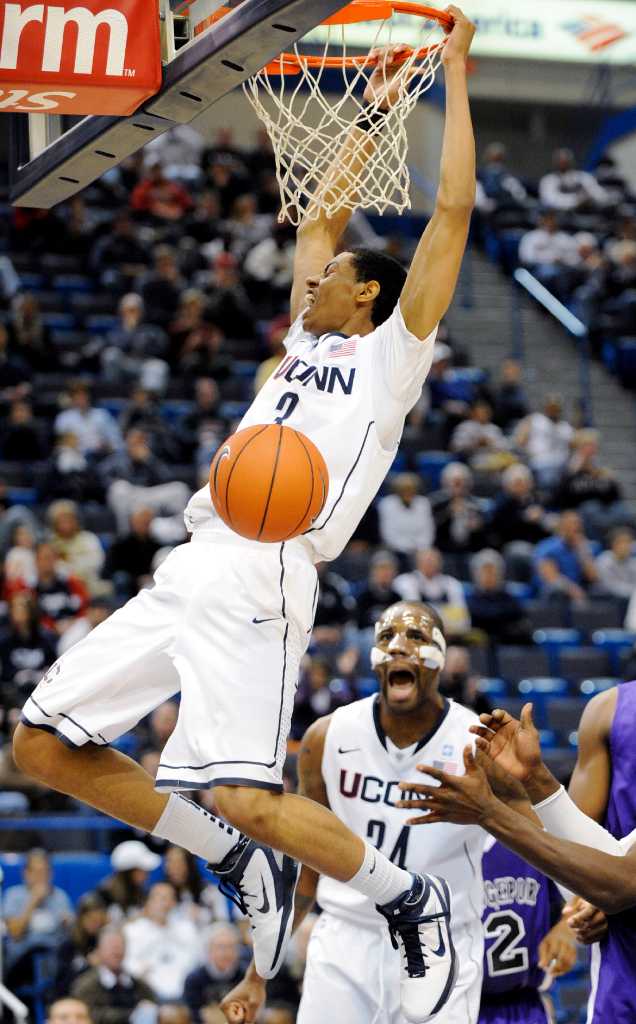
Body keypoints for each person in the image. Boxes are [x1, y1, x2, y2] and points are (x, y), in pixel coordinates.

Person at [15, 16, 477, 1023]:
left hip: (268, 567)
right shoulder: (305, 329)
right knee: (41, 747)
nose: (310, 277)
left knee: (246, 790)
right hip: (195, 559)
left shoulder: (390, 358)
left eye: (333, 274)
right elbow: (321, 205)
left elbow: (449, 211)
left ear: (367, 296)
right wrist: (374, 104)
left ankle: (407, 897)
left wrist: (451, 78)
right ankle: (234, 860)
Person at [220, 601, 494, 1024]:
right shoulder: (327, 736)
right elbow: (307, 866)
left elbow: (527, 840)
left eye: (416, 637)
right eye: (386, 637)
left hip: (443, 939)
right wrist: (257, 973)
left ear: (440, 657)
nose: (399, 647)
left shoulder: (477, 743)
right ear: (374, 658)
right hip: (346, 938)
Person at [396, 689, 636, 1023]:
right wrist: (536, 779)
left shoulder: (525, 829)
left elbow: (620, 883)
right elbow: (603, 871)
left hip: (520, 1004)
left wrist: (568, 926)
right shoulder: (405, 839)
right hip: (438, 1007)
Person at [479, 838, 576, 1024]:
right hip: (460, 1005)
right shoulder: (437, 851)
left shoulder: (533, 838)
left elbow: (579, 896)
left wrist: (564, 929)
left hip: (529, 1004)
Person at [4, 848, 73, 988]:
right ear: (26, 873)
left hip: (55, 956)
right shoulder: (14, 895)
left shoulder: (60, 896)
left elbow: (70, 935)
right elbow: (14, 933)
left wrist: (69, 923)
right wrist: (33, 902)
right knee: (37, 950)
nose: (42, 877)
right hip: (22, 958)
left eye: (45, 872)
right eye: (37, 872)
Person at [123, 883, 202, 1001]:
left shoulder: (187, 929)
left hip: (185, 992)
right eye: (160, 898)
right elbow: (126, 963)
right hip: (147, 994)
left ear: (174, 904)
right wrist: (139, 972)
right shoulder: (133, 931)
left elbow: (198, 960)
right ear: (148, 903)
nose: (165, 904)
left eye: (169, 899)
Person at [71, 926, 157, 1024]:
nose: (116, 951)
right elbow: (85, 1014)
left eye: (119, 946)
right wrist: (132, 1014)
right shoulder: (85, 985)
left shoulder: (140, 985)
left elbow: (152, 1007)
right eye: (111, 946)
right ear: (99, 950)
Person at [394, 547, 470, 639]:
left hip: (448, 635)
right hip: (414, 635)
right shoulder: (405, 581)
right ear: (417, 562)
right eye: (426, 560)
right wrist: (444, 614)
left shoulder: (452, 583)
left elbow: (461, 618)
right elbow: (413, 613)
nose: (430, 563)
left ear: (440, 563)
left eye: (433, 560)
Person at [184, 924, 244, 1022]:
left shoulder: (245, 977)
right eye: (220, 947)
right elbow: (193, 1014)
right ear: (209, 950)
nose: (226, 953)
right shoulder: (194, 979)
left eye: (231, 947)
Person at [533, 510, 597, 603]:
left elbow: (593, 578)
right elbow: (551, 577)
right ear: (562, 527)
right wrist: (573, 590)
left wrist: (582, 552)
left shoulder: (586, 548)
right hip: (552, 593)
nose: (575, 527)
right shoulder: (547, 546)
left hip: (579, 592)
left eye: (578, 525)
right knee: (556, 590)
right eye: (571, 524)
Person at [377, 473, 435, 561]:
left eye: (410, 489)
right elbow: (388, 534)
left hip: (421, 550)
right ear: (397, 490)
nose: (407, 492)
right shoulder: (387, 504)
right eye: (404, 490)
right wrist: (408, 548)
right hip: (395, 550)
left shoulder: (423, 503)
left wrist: (421, 547)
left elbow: (428, 531)